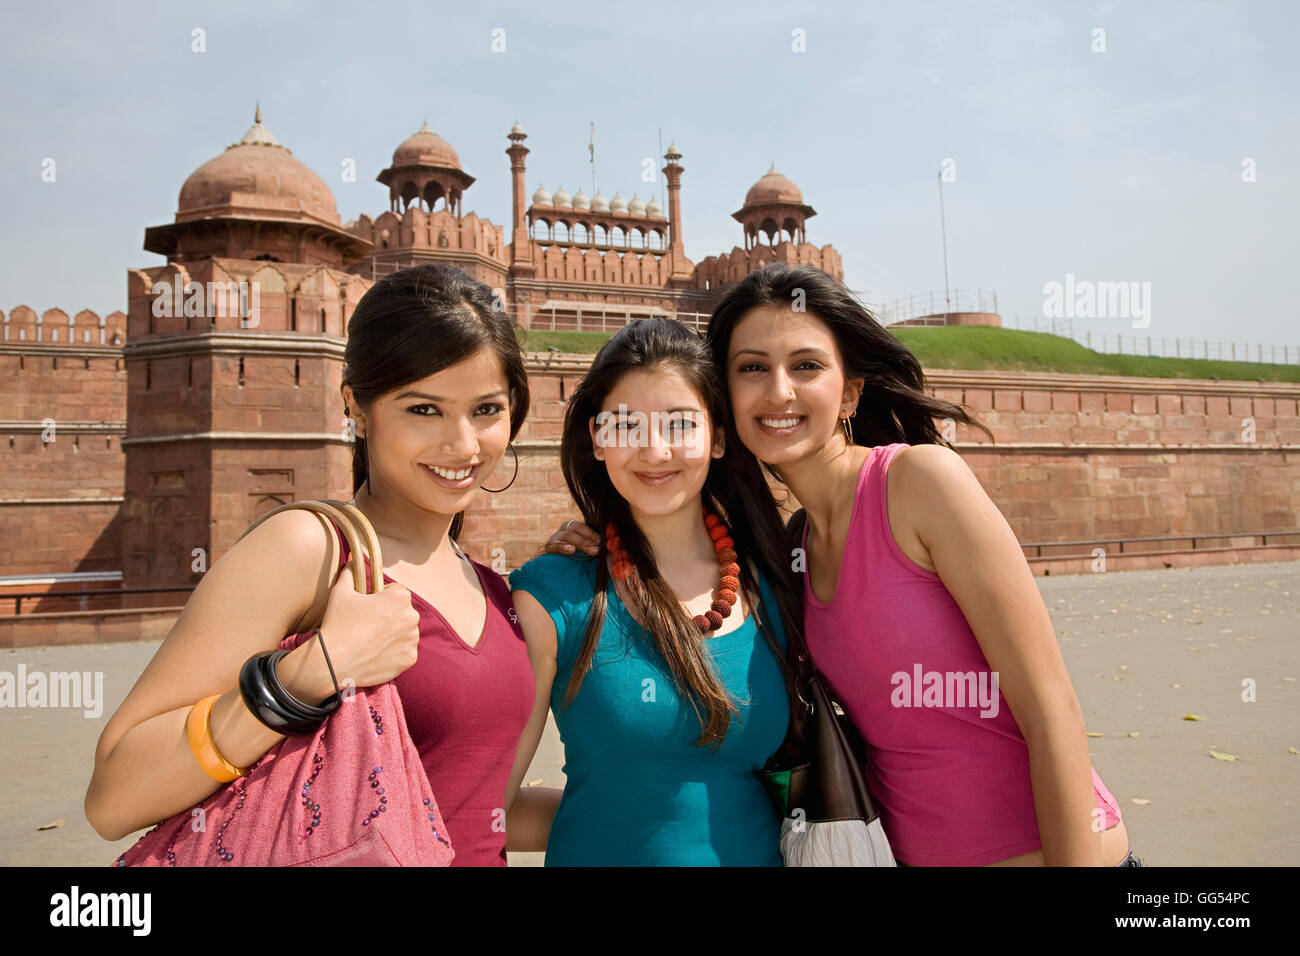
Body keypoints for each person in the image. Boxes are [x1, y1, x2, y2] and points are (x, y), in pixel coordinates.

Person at [547, 263, 1142, 867]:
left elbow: (1052, 709)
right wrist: (608, 537)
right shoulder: (789, 554)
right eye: (752, 368)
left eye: (805, 366)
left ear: (850, 392)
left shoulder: (917, 484)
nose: (779, 390)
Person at [86, 264, 557, 866]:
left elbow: (469, 808)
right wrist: (306, 676)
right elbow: (112, 797)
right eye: (424, 410)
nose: (463, 444)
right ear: (356, 409)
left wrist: (667, 804)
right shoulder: (310, 551)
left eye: (486, 409)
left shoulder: (493, 592)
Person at [508, 317, 801, 865]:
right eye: (624, 425)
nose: (654, 450)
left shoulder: (776, 585)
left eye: (679, 423)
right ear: (597, 439)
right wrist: (603, 815)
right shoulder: (555, 597)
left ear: (716, 437)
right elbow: (485, 810)